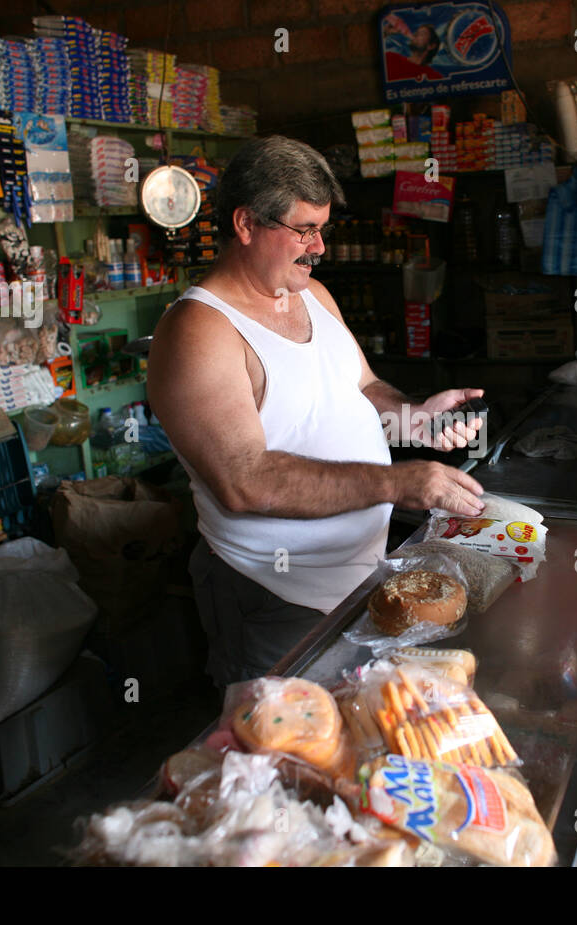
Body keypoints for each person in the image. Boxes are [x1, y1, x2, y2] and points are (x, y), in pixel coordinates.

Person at [148, 135, 485, 687]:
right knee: (279, 757)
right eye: (304, 230)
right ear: (246, 224)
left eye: (322, 229)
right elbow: (244, 481)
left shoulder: (314, 296)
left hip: (359, 578)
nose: (319, 247)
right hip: (274, 596)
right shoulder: (199, 330)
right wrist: (399, 483)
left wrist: (413, 415)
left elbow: (364, 386)